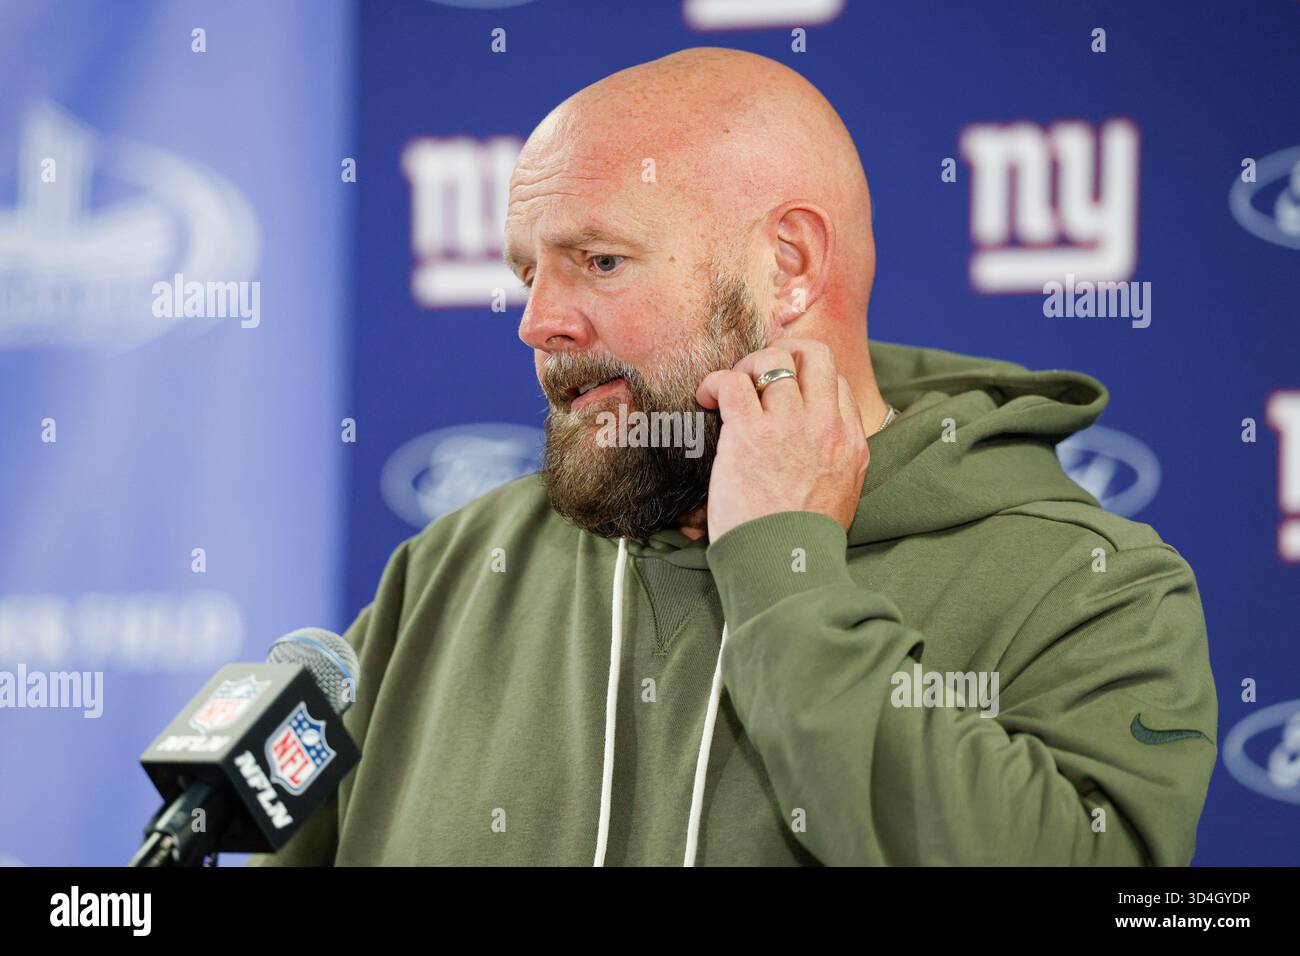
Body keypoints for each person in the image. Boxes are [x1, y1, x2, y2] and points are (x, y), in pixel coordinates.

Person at [249, 47, 1216, 866]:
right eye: (526, 273)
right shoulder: (451, 571)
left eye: (601, 261)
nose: (539, 322)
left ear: (788, 267)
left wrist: (785, 567)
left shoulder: (1090, 589)